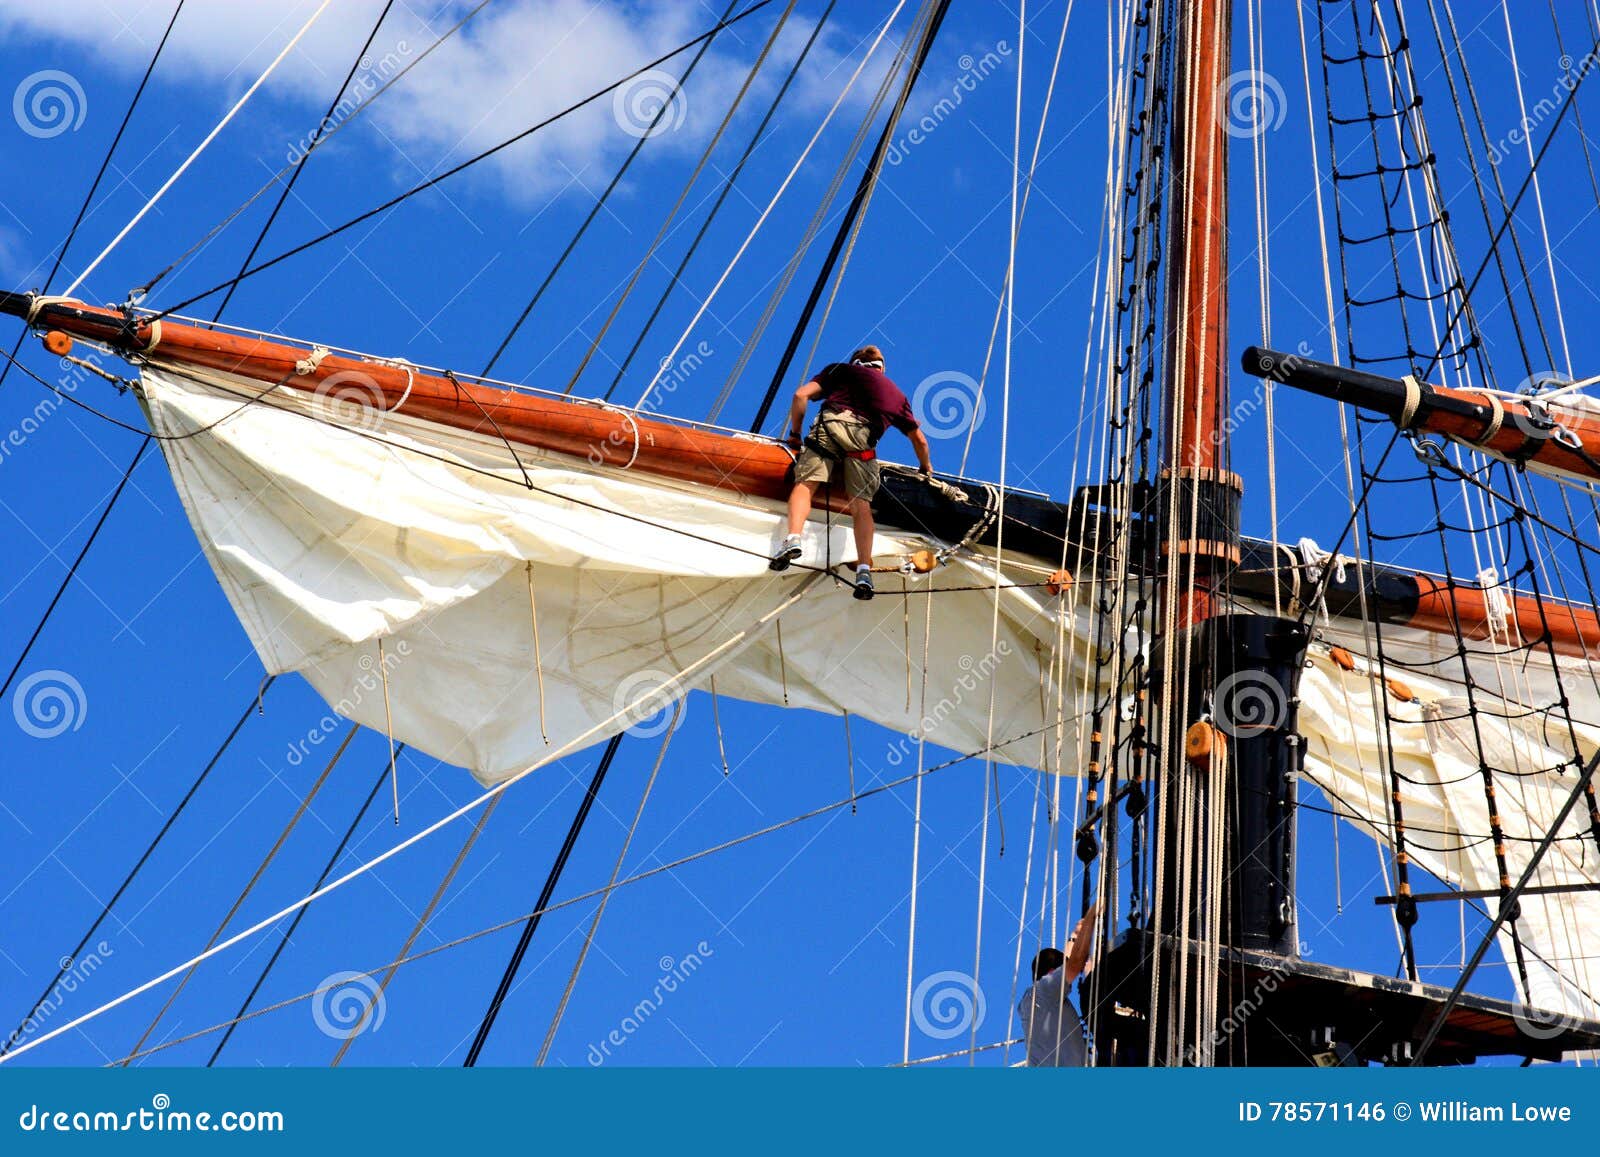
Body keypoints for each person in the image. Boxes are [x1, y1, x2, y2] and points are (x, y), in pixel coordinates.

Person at [768, 345, 934, 601]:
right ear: (882, 369)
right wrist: (926, 467)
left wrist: (795, 435)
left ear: (856, 362)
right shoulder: (897, 396)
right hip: (862, 445)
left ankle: (793, 539)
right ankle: (865, 570)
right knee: (861, 506)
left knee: (806, 484)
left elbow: (800, 395)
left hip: (830, 427)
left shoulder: (840, 370)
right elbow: (919, 441)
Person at [1018, 902, 1100, 1067]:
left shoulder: (1039, 998)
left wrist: (1076, 935)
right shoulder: (1044, 991)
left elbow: (1069, 959)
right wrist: (1091, 917)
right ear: (1051, 973)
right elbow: (1074, 964)